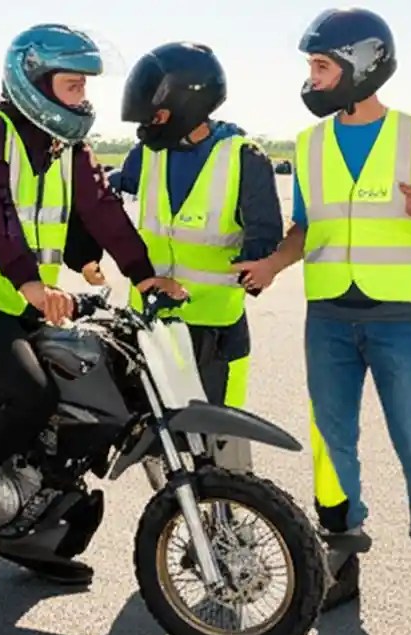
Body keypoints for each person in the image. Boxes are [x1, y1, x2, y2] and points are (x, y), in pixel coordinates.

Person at [0, 23, 186, 582]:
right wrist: (31, 284)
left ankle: (31, 528)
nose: (82, 98)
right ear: (33, 81)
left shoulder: (66, 148)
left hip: (24, 311)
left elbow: (104, 211)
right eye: (71, 86)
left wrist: (143, 275)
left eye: (85, 87)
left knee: (93, 391)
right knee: (33, 397)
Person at [233, 8, 411, 635]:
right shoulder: (309, 146)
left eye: (321, 66)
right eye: (311, 66)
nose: (310, 78)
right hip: (330, 315)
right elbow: (306, 229)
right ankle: (340, 559)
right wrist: (276, 264)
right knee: (331, 445)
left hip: (399, 318)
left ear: (362, 67)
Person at [89, 42, 283, 473]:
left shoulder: (243, 159)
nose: (146, 126)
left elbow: (265, 234)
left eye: (153, 115)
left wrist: (257, 266)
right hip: (152, 325)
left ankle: (232, 531)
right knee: (160, 445)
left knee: (221, 447)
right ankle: (176, 527)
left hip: (214, 331)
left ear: (185, 104)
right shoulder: (149, 154)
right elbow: (109, 193)